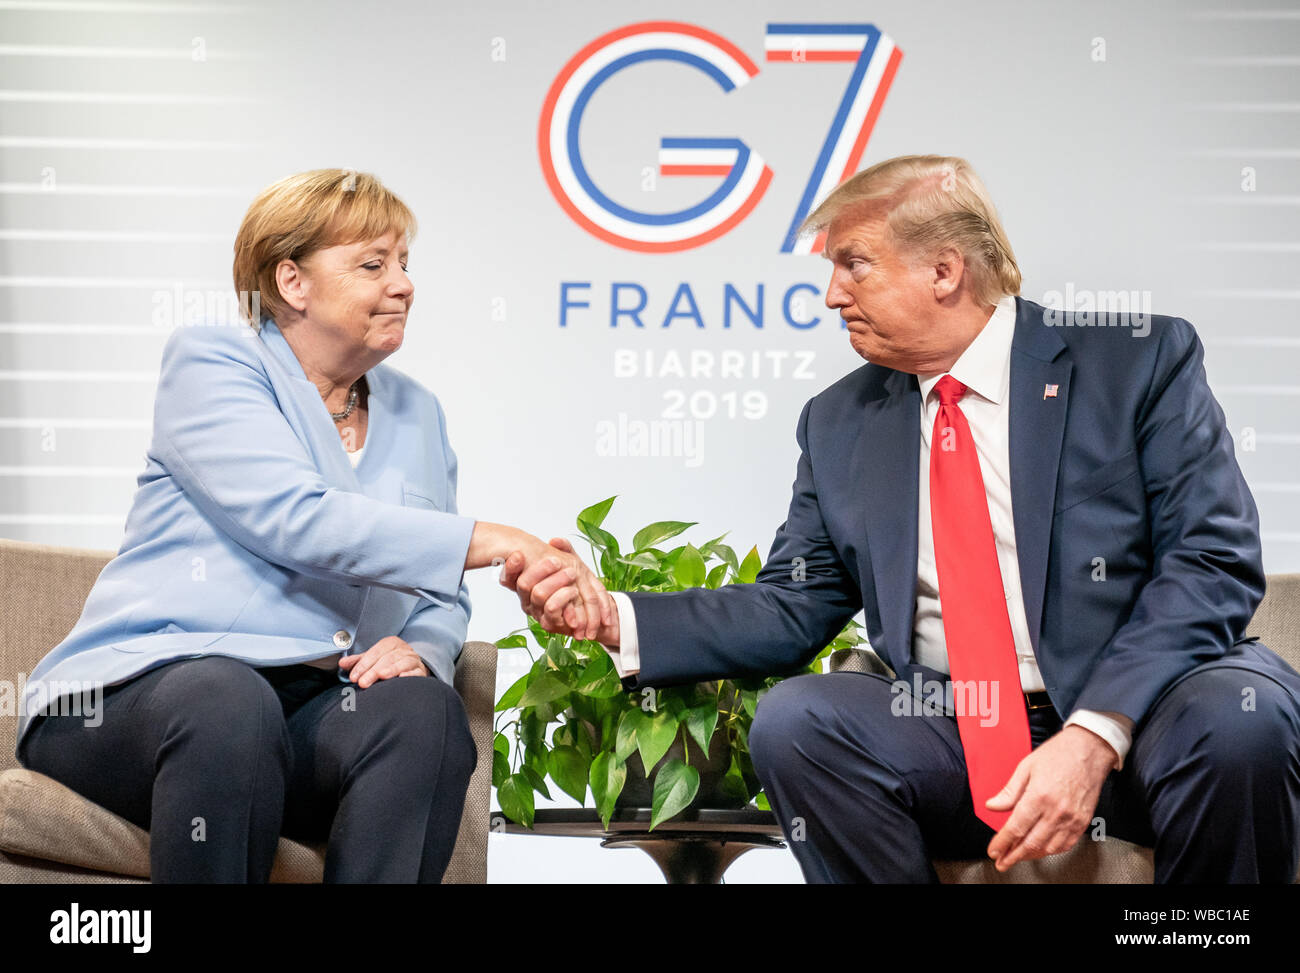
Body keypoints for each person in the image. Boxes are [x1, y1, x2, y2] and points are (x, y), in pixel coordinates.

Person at [503, 154, 1300, 883]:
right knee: (801, 722)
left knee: (1240, 722)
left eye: (853, 265)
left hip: (1149, 711)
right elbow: (792, 605)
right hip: (953, 730)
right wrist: (613, 617)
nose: (830, 294)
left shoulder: (1136, 362)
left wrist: (1093, 733)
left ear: (944, 271)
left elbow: (1209, 560)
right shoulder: (840, 421)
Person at [15, 168, 613, 883]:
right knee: (227, 699)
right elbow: (297, 518)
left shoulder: (417, 411)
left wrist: (418, 647)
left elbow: (438, 589)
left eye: (404, 263)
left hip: (306, 716)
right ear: (293, 282)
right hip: (139, 699)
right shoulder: (214, 364)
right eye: (373, 264)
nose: (403, 284)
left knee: (421, 714)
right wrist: (498, 540)